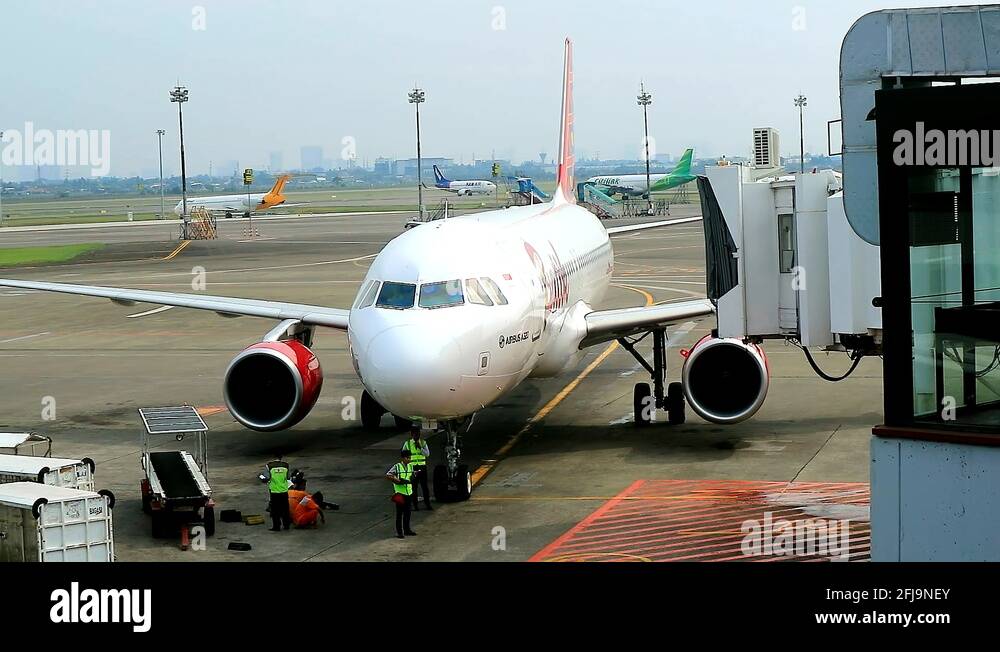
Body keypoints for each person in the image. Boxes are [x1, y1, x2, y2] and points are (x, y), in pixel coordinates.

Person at [386, 449, 417, 539]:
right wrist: (398, 481)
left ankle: (407, 530)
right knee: (399, 514)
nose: (409, 459)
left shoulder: (410, 466)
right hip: (400, 494)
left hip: (409, 492)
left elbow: (412, 475)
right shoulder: (397, 466)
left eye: (410, 457)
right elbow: (388, 475)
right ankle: (400, 532)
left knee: (408, 513)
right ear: (403, 458)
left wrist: (413, 477)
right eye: (408, 458)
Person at [402, 424, 432, 510]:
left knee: (424, 487)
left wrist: (421, 448)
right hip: (413, 468)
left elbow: (427, 454)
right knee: (414, 488)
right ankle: (415, 505)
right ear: (412, 435)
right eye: (415, 434)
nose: (417, 436)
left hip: (422, 467)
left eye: (418, 434)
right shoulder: (407, 444)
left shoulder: (423, 443)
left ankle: (428, 504)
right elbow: (403, 455)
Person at [259, 458, 291, 531]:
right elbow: (288, 477)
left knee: (275, 510)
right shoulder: (286, 465)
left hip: (274, 491)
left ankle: (277, 526)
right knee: (285, 509)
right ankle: (286, 525)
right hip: (284, 490)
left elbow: (266, 478)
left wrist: (260, 476)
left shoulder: (269, 466)